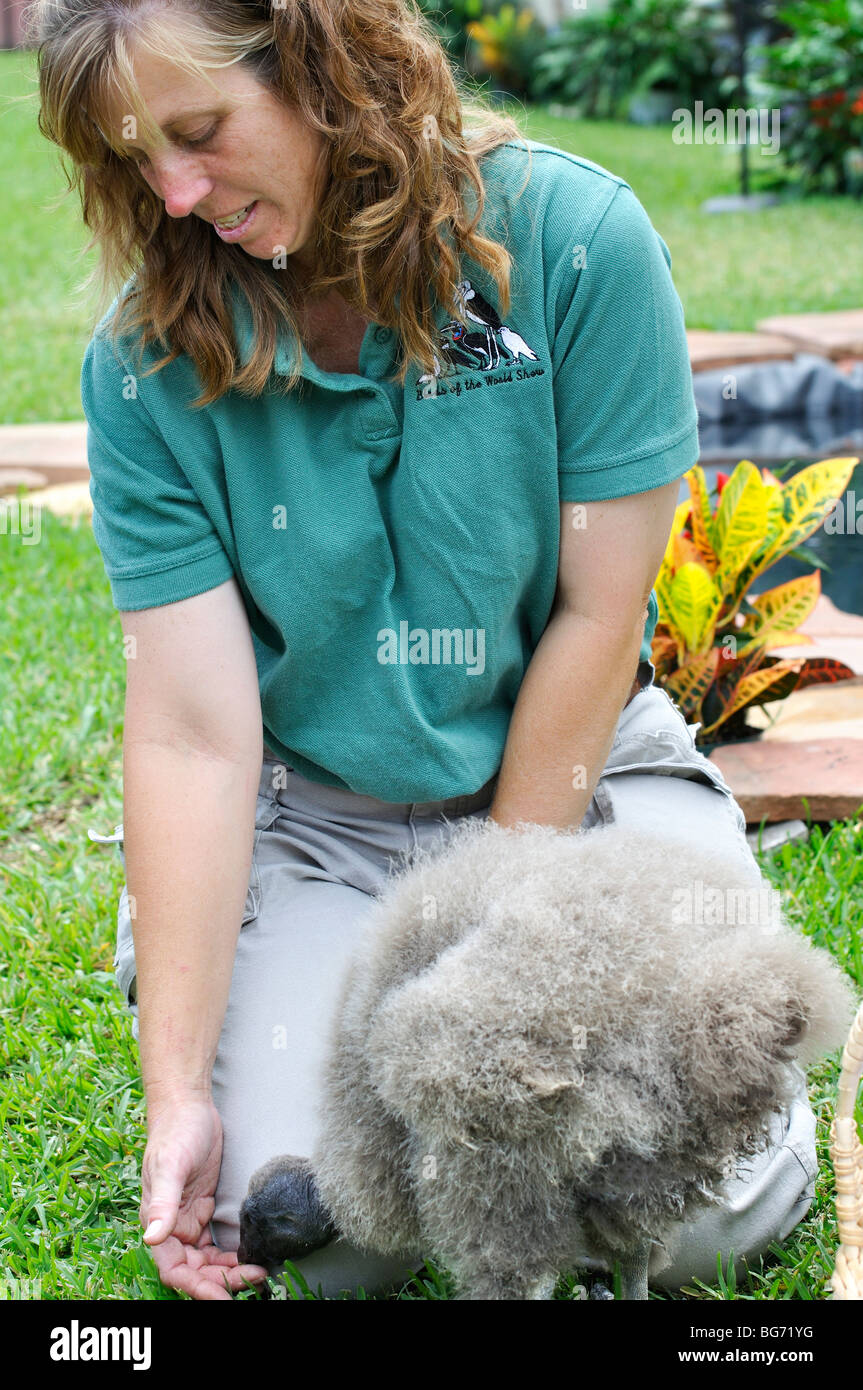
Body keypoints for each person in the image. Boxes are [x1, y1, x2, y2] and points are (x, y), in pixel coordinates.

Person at [31, 0, 818, 1299]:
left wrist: (481, 968)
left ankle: (732, 1075)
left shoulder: (575, 245)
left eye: (199, 131)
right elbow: (192, 728)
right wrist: (175, 1090)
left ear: (321, 64)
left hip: (581, 784)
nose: (172, 196)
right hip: (319, 821)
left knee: (700, 1222)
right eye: (133, 160)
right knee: (330, 1239)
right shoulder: (141, 365)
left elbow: (593, 615)